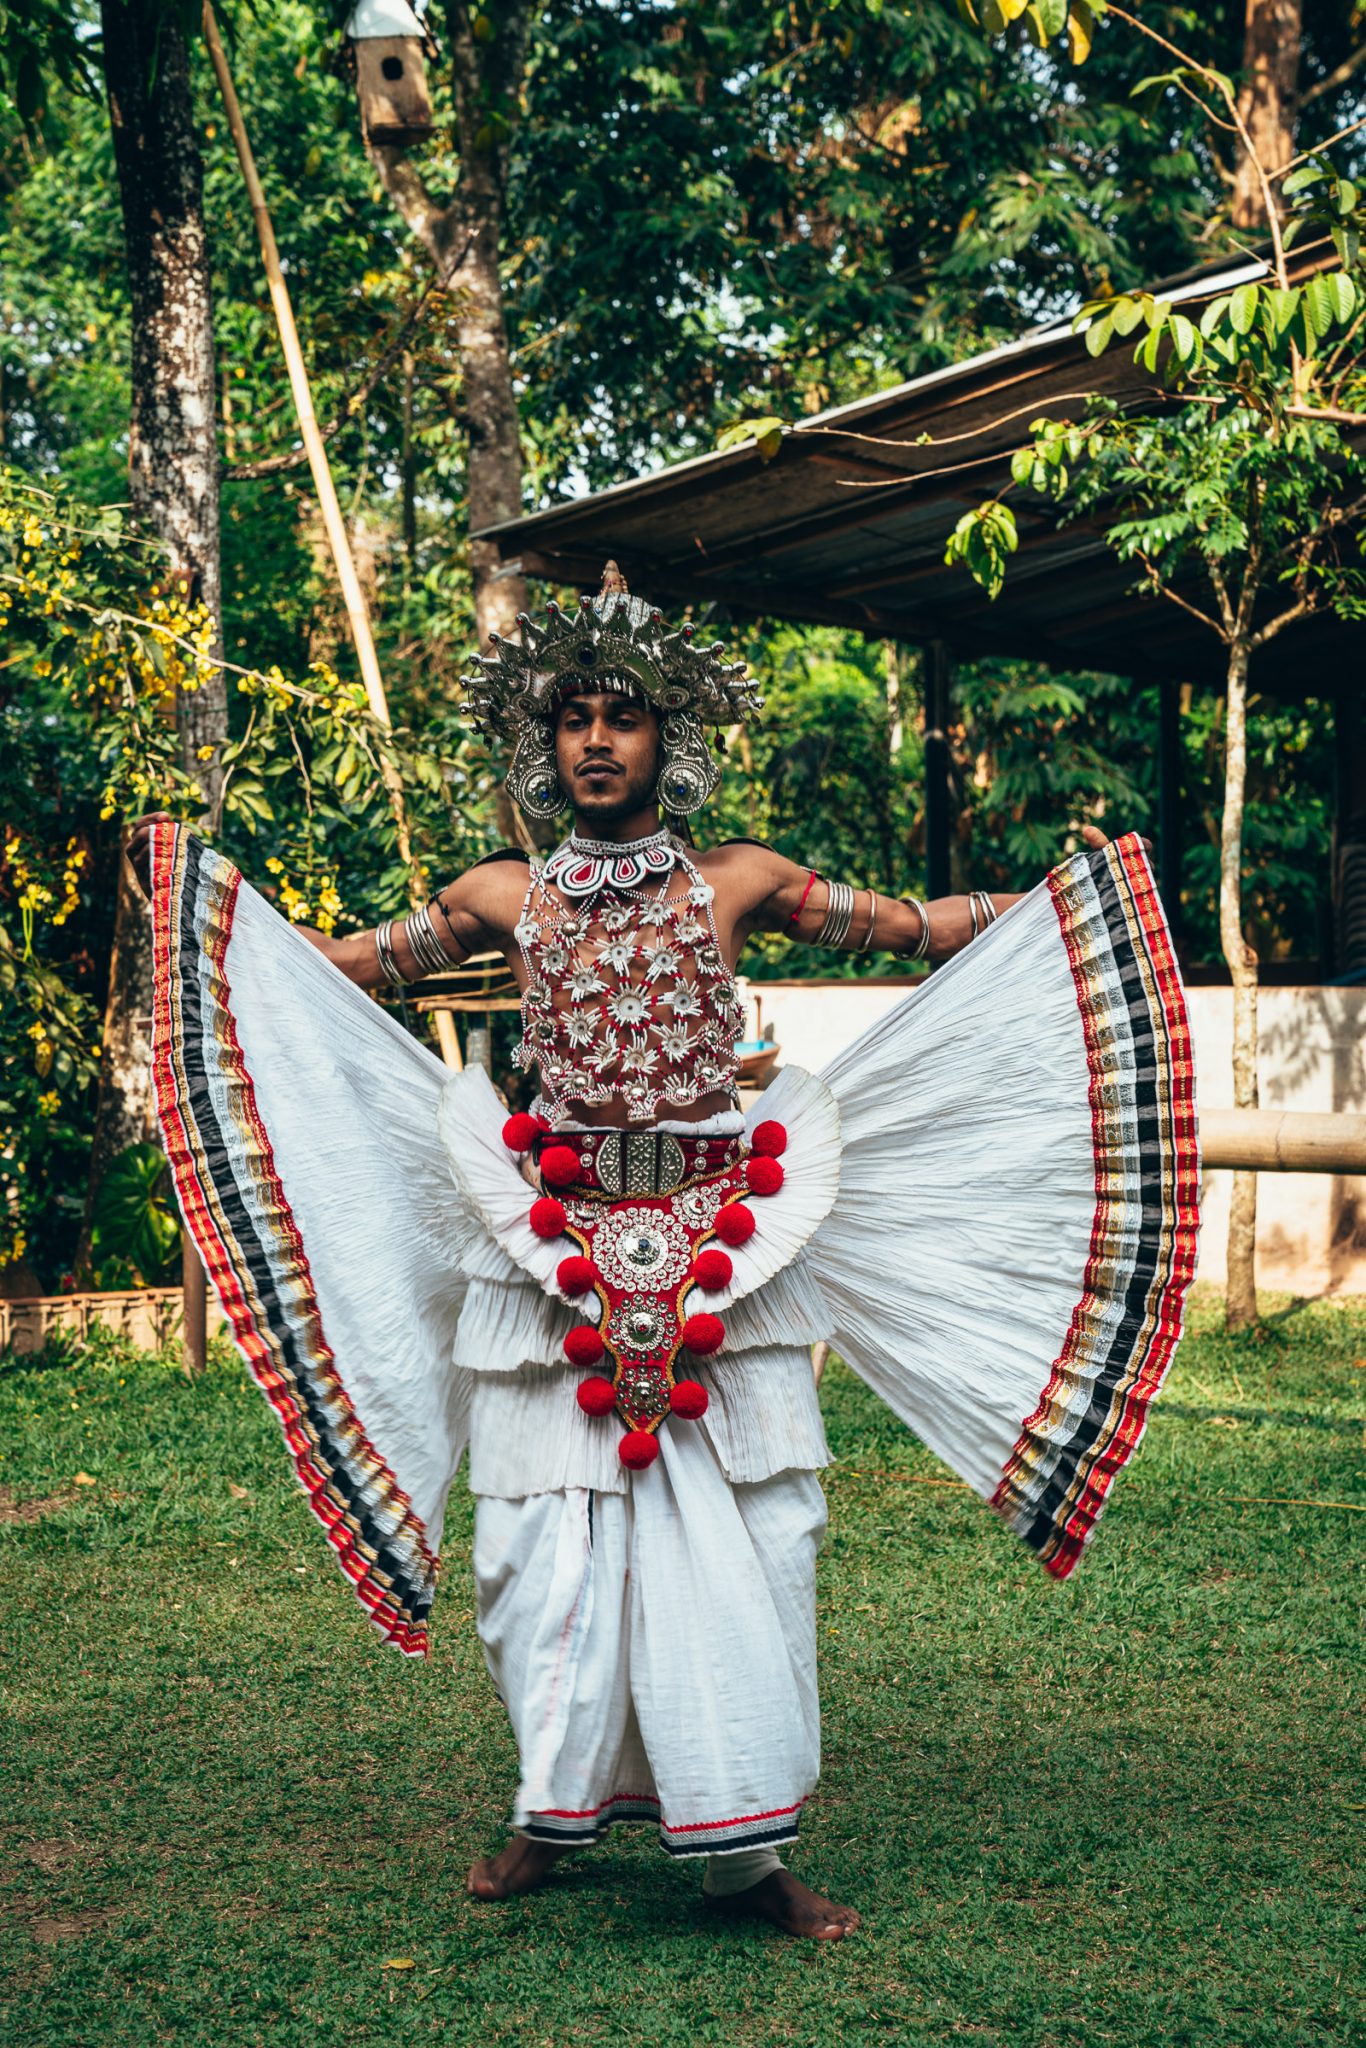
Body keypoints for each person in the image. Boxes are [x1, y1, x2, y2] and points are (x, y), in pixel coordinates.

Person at [128, 562, 1198, 1942]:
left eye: (620, 717)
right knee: (530, 1554)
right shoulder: (498, 894)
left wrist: (1071, 904)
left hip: (728, 1254)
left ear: (667, 740)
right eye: (568, 717)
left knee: (757, 1544)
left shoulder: (739, 879)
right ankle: (545, 1812)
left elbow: (912, 932)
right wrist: (215, 947)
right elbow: (338, 969)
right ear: (538, 742)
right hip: (549, 1251)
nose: (592, 740)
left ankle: (748, 1860)